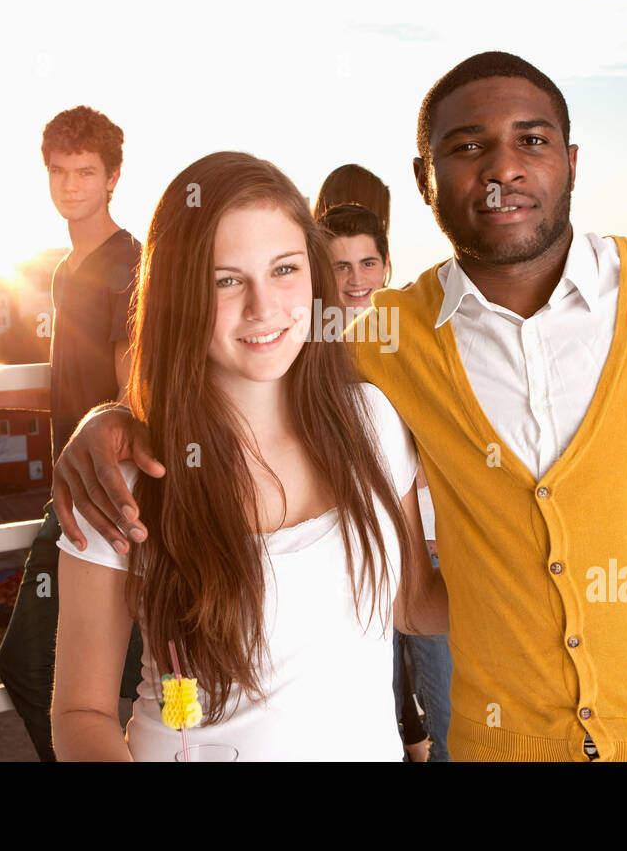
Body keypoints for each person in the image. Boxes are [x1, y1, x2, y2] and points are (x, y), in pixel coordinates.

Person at [55, 52, 627, 761]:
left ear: (571, 159)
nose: (503, 169)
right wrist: (111, 420)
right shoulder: (383, 340)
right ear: (425, 180)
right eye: (467, 148)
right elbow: (237, 361)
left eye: (532, 141)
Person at [50, 152, 447, 760]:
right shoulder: (124, 478)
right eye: (226, 279)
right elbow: (82, 711)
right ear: (179, 295)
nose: (264, 307)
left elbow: (416, 606)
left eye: (284, 269)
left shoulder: (372, 422)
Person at [0, 106, 145, 762]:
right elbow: (70, 391)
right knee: (130, 671)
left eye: (86, 172)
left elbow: (129, 400)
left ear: (112, 178)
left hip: (102, 494)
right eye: (59, 170)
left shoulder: (127, 265)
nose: (71, 185)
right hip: (74, 493)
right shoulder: (63, 268)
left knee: (29, 665)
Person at [319, 194, 454, 763]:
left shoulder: (419, 331)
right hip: (347, 555)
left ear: (387, 264)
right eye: (340, 266)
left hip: (425, 541)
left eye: (367, 263)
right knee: (380, 709)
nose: (355, 279)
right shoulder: (303, 346)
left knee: (448, 701)